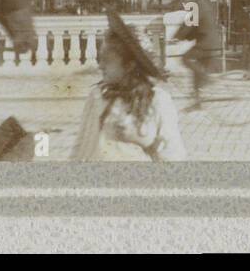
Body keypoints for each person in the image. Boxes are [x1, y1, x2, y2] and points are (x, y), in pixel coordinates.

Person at [72, 12, 186, 161]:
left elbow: (175, 157)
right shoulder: (98, 96)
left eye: (107, 60)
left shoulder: (158, 101)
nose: (100, 66)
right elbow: (82, 147)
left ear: (129, 65)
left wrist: (146, 142)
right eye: (100, 59)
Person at [176, 0, 222, 110]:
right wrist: (184, 37)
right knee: (196, 71)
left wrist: (177, 37)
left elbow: (189, 24)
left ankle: (206, 77)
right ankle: (197, 103)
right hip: (209, 42)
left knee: (185, 59)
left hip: (206, 44)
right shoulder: (202, 2)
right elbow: (196, 25)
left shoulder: (196, 4)